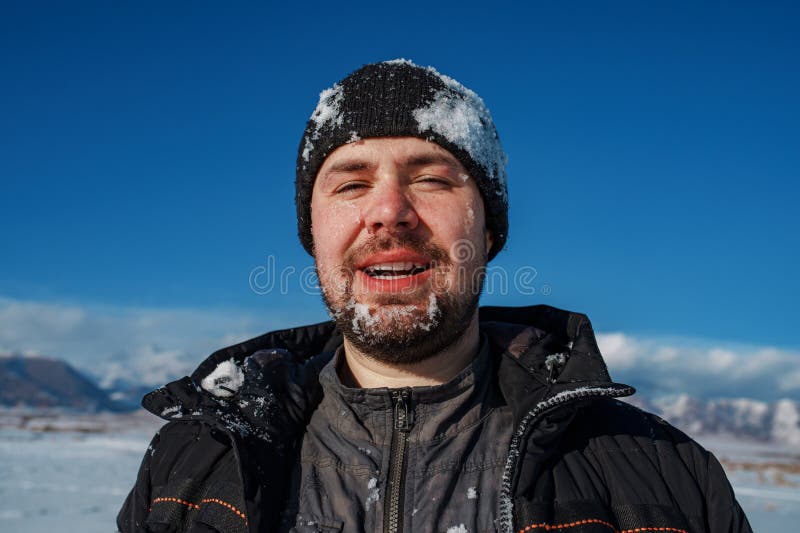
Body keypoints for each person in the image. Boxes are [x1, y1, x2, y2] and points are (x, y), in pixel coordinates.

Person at [117, 60, 751, 533]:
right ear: (313, 234)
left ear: (490, 228)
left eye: (430, 178)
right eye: (351, 184)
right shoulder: (190, 468)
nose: (389, 212)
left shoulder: (667, 478)